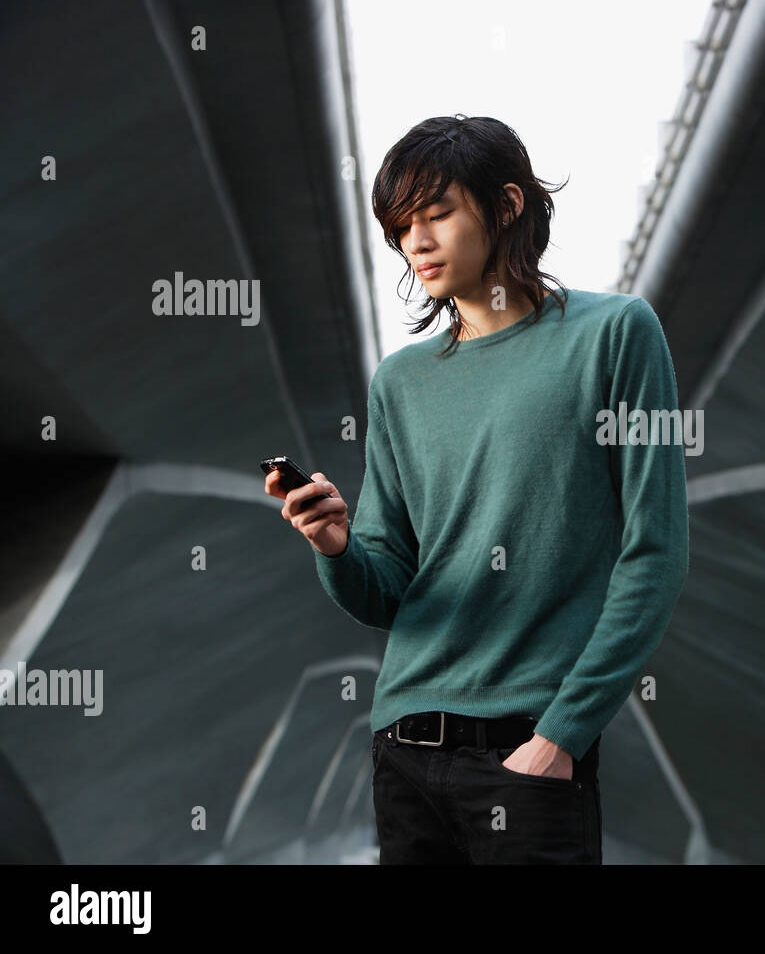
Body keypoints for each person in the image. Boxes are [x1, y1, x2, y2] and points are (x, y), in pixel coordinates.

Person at [265, 115, 690, 864]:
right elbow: (386, 589)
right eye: (400, 227)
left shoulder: (618, 335)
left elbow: (654, 552)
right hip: (404, 747)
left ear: (507, 207)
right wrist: (334, 544)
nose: (415, 243)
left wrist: (560, 737)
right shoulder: (400, 382)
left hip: (527, 751)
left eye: (437, 215)